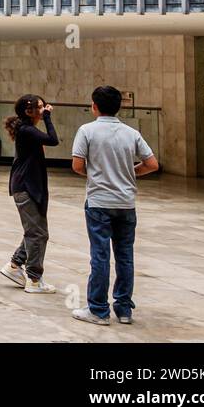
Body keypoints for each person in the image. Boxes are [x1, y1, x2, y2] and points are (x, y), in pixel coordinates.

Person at [70, 85, 159, 326]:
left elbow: (77, 166)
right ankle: (124, 308)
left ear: (94, 106)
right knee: (125, 256)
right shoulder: (131, 133)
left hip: (99, 202)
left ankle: (98, 309)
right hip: (126, 203)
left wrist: (98, 174)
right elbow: (152, 164)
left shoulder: (87, 130)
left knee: (100, 255)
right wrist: (129, 173)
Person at [0, 95, 59, 294]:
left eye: (44, 107)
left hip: (27, 186)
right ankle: (34, 279)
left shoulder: (27, 130)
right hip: (27, 187)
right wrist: (49, 118)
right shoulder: (27, 130)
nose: (44, 110)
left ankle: (15, 266)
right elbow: (53, 140)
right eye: (40, 108)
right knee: (38, 233)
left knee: (35, 231)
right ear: (28, 112)